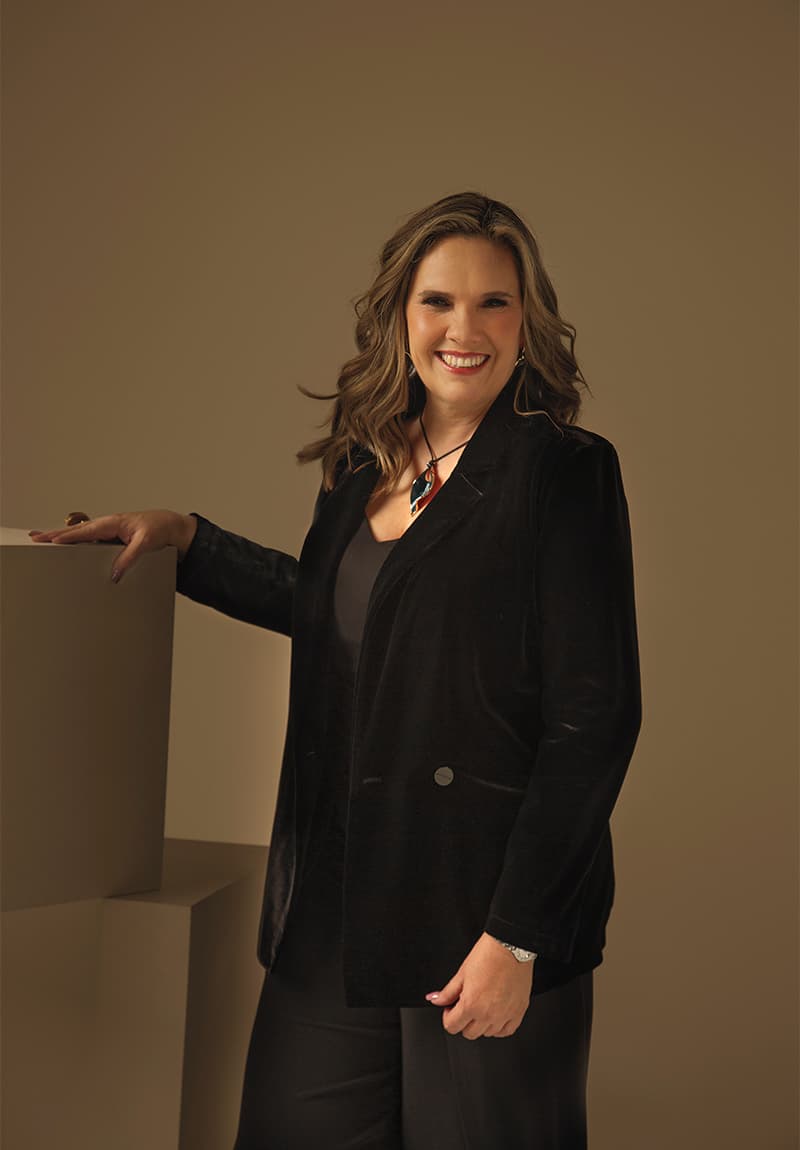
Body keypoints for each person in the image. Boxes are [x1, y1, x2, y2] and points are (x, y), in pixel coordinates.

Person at [29, 191, 642, 1149]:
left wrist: (517, 937)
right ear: (402, 314)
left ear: (529, 323)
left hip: (477, 910)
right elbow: (339, 612)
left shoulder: (562, 471)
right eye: (439, 301)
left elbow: (593, 720)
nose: (464, 330)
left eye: (494, 303)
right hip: (334, 904)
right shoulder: (366, 462)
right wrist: (189, 541)